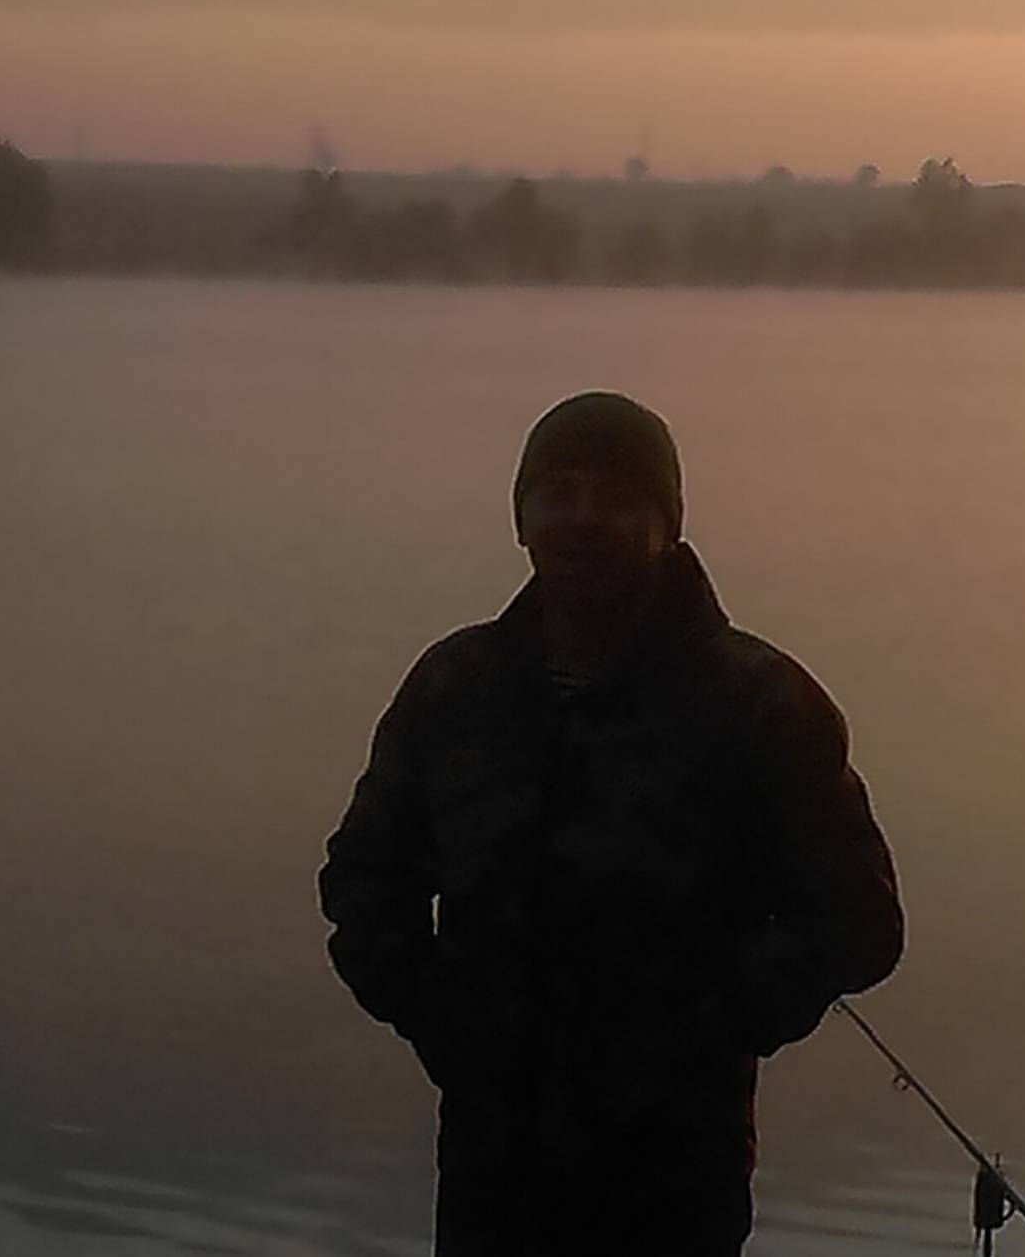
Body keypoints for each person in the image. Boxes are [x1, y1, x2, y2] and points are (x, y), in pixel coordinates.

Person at [319, 390, 906, 1254]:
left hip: (676, 1173)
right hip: (491, 1166)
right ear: (522, 519)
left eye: (617, 497)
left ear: (666, 524)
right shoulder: (455, 686)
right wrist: (440, 1018)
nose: (583, 518)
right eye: (559, 492)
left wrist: (705, 1029)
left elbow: (860, 921)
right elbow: (365, 876)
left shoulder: (759, 703)